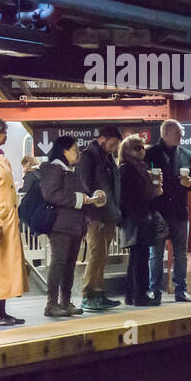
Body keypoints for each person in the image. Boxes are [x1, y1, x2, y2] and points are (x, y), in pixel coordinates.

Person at [40, 135, 106, 318]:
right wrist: (78, 199)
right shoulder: (53, 168)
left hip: (75, 224)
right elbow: (51, 194)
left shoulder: (71, 170)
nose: (78, 153)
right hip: (60, 225)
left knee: (69, 265)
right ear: (64, 151)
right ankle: (51, 304)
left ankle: (65, 302)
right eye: (75, 150)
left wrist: (93, 197)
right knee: (58, 263)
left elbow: (80, 193)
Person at [146, 119, 191, 303]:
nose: (182, 136)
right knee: (156, 254)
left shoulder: (186, 153)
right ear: (165, 133)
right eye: (178, 133)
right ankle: (154, 291)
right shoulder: (149, 153)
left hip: (179, 210)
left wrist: (190, 183)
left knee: (180, 253)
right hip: (158, 210)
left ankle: (180, 290)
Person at [76, 125, 123, 311]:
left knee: (102, 255)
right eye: (112, 144)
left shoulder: (107, 158)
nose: (114, 148)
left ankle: (99, 292)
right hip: (95, 215)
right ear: (102, 138)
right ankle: (88, 294)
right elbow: (84, 184)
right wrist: (92, 211)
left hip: (109, 214)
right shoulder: (89, 156)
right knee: (96, 254)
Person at [0, 120, 26, 326]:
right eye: (3, 132)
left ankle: (1, 311)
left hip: (9, 221)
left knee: (5, 268)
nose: (6, 136)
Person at [117, 135, 163, 306]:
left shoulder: (138, 168)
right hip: (136, 217)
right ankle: (140, 295)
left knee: (136, 257)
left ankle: (131, 294)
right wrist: (152, 190)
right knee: (140, 257)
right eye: (137, 148)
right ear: (127, 150)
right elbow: (132, 195)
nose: (142, 151)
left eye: (143, 147)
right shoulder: (128, 169)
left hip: (137, 217)